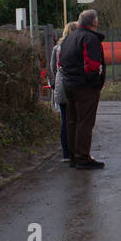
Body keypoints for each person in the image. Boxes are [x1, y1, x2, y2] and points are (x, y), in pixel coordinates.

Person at [60, 9, 107, 169]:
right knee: (85, 122)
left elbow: (62, 62)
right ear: (94, 22)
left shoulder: (69, 38)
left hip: (69, 84)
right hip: (85, 87)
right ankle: (83, 157)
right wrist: (96, 83)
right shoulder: (90, 38)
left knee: (72, 120)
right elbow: (92, 64)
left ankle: (73, 155)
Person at [51, 21, 78, 162]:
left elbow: (53, 68)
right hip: (73, 86)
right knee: (76, 121)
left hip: (61, 86)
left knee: (64, 121)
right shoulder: (76, 47)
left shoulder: (57, 48)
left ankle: (66, 153)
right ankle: (76, 151)